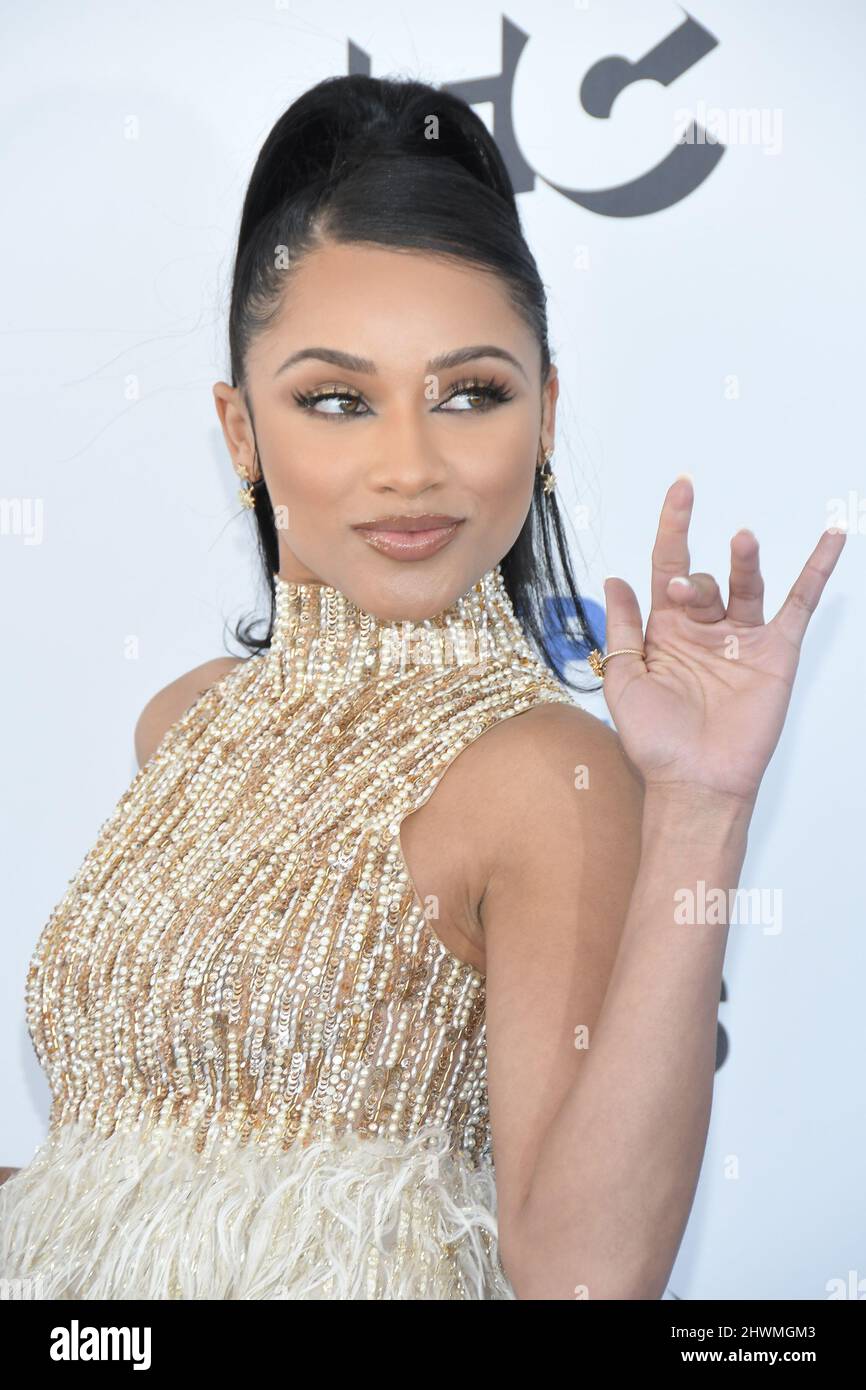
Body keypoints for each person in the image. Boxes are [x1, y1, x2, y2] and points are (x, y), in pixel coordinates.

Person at [0, 74, 845, 1301]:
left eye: (469, 393)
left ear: (544, 413)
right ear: (240, 431)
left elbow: (582, 1279)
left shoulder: (543, 773)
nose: (409, 465)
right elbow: (126, 1181)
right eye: (336, 400)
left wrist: (703, 805)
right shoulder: (179, 723)